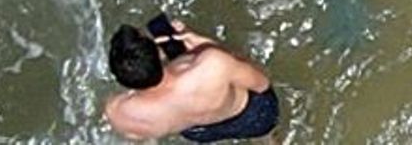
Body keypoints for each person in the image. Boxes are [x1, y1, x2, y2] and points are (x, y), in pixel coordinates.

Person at [105, 19, 281, 142]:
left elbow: (137, 136)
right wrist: (209, 46)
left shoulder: (118, 112)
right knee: (264, 134)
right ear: (157, 53)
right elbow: (262, 82)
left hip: (201, 132)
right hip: (252, 116)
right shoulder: (212, 64)